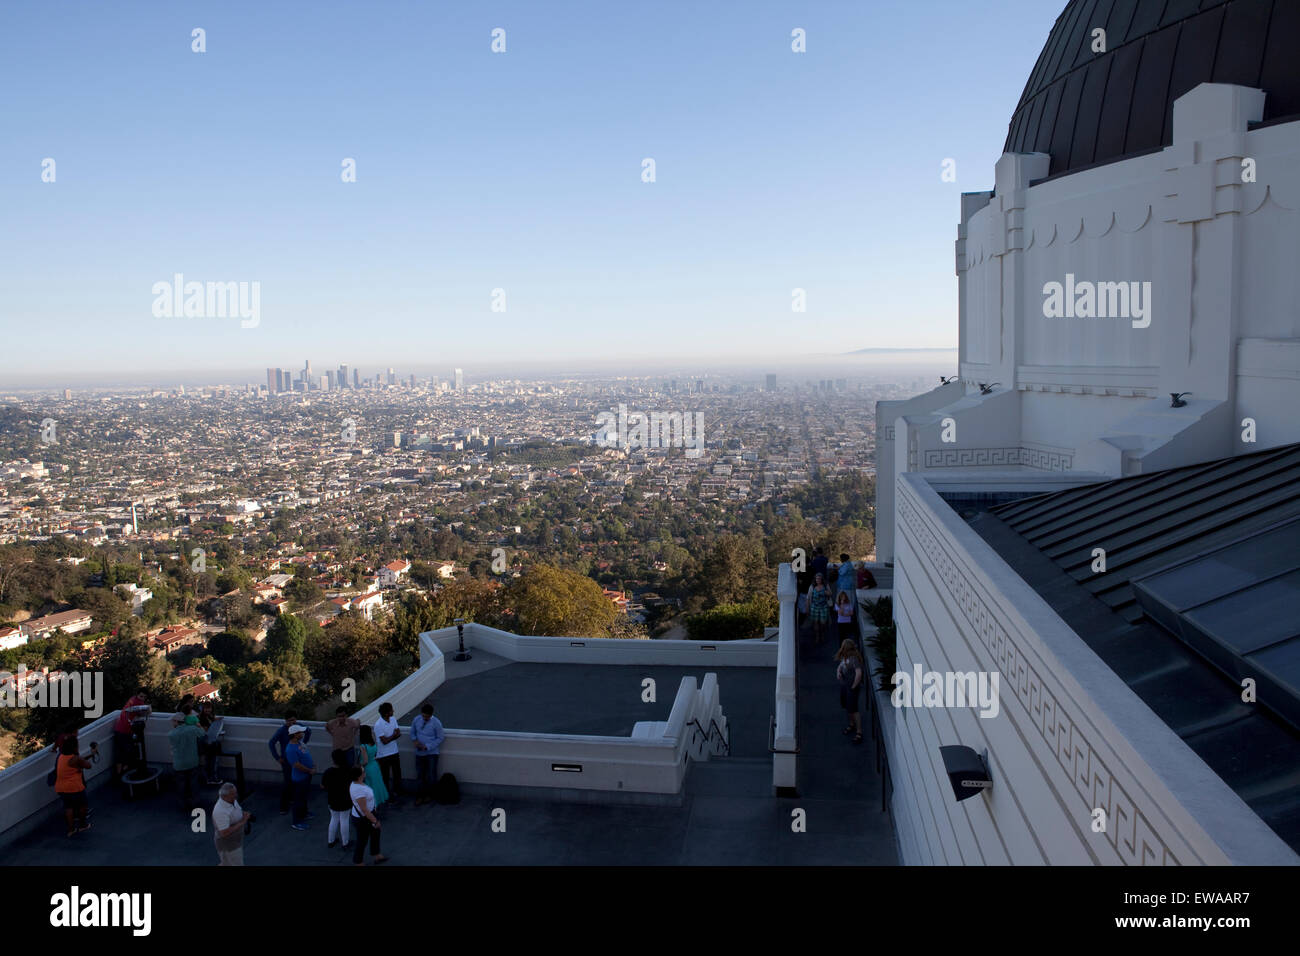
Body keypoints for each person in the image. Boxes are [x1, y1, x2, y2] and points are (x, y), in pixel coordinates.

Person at [268, 712, 311, 815]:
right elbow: (271, 743)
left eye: (294, 720)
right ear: (286, 721)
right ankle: (283, 807)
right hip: (287, 761)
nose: (292, 722)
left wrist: (303, 742)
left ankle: (293, 800)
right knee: (287, 782)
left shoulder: (299, 726)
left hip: (297, 758)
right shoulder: (281, 731)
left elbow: (308, 731)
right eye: (290, 720)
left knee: (296, 782)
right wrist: (277, 757)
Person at [55, 735, 96, 837]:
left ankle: (71, 829)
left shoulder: (61, 757)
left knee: (69, 808)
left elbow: (75, 763)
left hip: (61, 787)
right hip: (74, 787)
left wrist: (85, 758)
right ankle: (82, 825)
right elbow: (88, 765)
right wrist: (93, 753)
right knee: (82, 806)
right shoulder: (76, 758)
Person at [168, 707, 206, 810]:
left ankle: (183, 805)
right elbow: (202, 733)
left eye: (173, 721)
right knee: (194, 784)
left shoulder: (171, 734)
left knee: (181, 785)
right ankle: (195, 803)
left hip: (179, 764)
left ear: (177, 721)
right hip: (192, 761)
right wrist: (197, 724)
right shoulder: (193, 730)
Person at [349, 765, 388, 866]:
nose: (365, 772)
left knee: (375, 834)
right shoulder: (358, 790)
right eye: (363, 771)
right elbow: (364, 810)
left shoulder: (358, 784)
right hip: (363, 819)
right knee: (362, 840)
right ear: (359, 776)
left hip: (370, 813)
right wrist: (375, 821)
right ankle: (358, 862)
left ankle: (377, 854)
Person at [411, 703, 446, 806]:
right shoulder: (416, 720)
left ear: (431, 715)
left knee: (431, 775)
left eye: (427, 716)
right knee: (420, 775)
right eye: (423, 716)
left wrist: (428, 746)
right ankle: (420, 796)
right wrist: (415, 741)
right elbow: (412, 732)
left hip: (431, 753)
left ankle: (430, 795)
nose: (425, 718)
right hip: (419, 753)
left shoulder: (436, 723)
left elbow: (440, 737)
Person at [112, 688, 150, 778]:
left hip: (118, 729)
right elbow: (145, 713)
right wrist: (149, 708)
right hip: (126, 731)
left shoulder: (132, 699)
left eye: (144, 697)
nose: (142, 698)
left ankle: (118, 776)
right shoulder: (139, 703)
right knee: (127, 754)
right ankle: (125, 775)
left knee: (119, 754)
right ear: (137, 695)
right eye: (141, 696)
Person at [285, 725, 316, 830]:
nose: (302, 734)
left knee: (303, 798)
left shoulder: (299, 743)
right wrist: (309, 770)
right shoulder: (290, 749)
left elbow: (306, 753)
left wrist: (312, 766)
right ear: (295, 734)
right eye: (300, 732)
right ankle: (296, 821)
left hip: (306, 776)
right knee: (298, 800)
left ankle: (304, 813)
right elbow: (296, 765)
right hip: (300, 778)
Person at [212, 782, 249, 866]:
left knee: (226, 864)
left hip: (235, 841)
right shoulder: (220, 811)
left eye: (235, 792)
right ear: (224, 796)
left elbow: (234, 811)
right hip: (229, 845)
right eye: (233, 794)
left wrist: (242, 814)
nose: (236, 795)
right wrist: (242, 822)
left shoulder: (231, 800)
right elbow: (224, 833)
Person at [835, 639, 865, 745]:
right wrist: (838, 672)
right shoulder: (845, 657)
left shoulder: (854, 659)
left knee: (854, 709)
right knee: (847, 706)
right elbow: (840, 666)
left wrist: (853, 686)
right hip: (845, 686)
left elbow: (859, 673)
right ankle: (851, 724)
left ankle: (859, 731)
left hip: (851, 687)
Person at [321, 751, 353, 849]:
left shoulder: (328, 772)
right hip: (345, 800)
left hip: (332, 799)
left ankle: (331, 840)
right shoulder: (348, 770)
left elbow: (322, 786)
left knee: (334, 819)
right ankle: (345, 843)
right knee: (344, 819)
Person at [373, 702, 403, 802]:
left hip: (394, 752)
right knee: (385, 776)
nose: (393, 711)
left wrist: (391, 737)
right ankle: (386, 795)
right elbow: (384, 741)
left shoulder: (393, 719)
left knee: (397, 774)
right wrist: (394, 736)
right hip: (383, 755)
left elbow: (398, 733)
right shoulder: (378, 725)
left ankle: (397, 792)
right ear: (386, 713)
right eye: (391, 710)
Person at [357, 725, 388, 808]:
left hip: (368, 768)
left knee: (369, 786)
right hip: (375, 766)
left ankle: (372, 805)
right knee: (377, 784)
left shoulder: (363, 746)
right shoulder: (373, 743)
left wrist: (359, 765)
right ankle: (377, 802)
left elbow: (365, 761)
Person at [197, 701, 223, 785]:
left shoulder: (209, 716)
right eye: (206, 709)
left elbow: (214, 720)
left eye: (209, 709)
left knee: (209, 761)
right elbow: (205, 731)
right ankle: (211, 778)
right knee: (210, 761)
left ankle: (209, 778)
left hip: (209, 742)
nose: (208, 711)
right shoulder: (202, 718)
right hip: (206, 742)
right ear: (203, 709)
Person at [807, 572, 832, 646]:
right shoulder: (812, 586)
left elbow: (830, 593)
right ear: (815, 579)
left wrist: (825, 591)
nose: (818, 580)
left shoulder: (825, 585)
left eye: (819, 578)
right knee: (815, 622)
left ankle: (822, 634)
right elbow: (808, 597)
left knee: (823, 623)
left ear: (822, 579)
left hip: (823, 607)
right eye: (817, 578)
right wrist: (807, 608)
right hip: (814, 607)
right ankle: (817, 636)